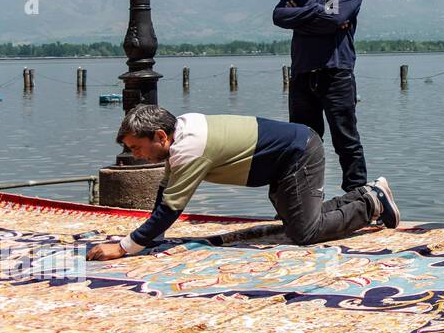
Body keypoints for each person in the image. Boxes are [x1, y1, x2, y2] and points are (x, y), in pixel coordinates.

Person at [86, 105, 398, 261]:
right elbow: (165, 193)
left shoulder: (189, 147)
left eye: (137, 148)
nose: (136, 156)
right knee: (295, 224)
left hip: (298, 153)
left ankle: (371, 203)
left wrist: (124, 248)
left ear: (160, 136)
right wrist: (153, 238)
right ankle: (365, 194)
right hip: (282, 163)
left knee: (305, 233)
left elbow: (170, 208)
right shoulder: (182, 131)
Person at [273, 0, 367, 192]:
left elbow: (335, 20)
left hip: (336, 73)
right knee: (300, 144)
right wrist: (316, 11)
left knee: (346, 141)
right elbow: (278, 16)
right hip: (302, 75)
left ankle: (358, 199)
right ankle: (302, 202)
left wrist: (301, 17)